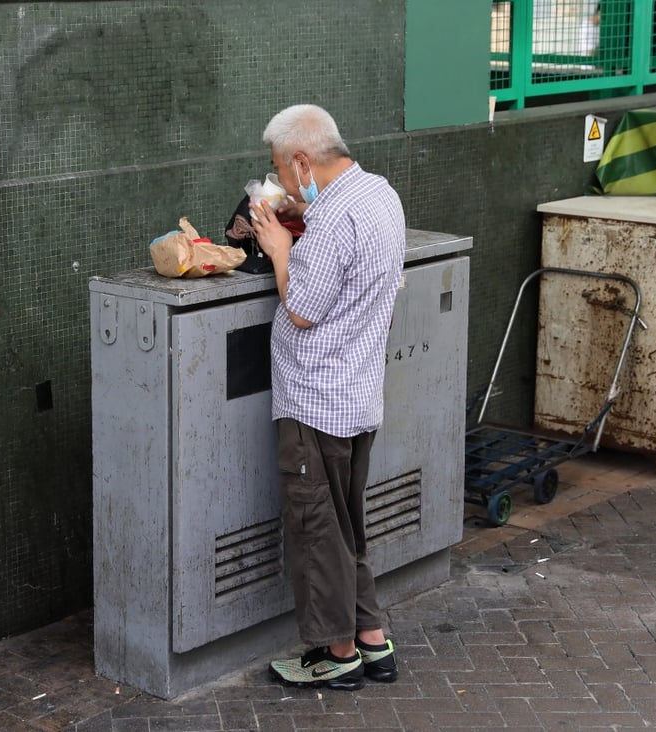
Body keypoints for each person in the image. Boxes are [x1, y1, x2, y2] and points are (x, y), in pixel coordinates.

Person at [248, 104, 405, 691]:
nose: (283, 181)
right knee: (346, 526)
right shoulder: (378, 193)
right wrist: (302, 216)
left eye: (280, 170)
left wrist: (280, 248)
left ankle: (335, 654)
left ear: (301, 161)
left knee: (318, 532)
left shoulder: (331, 218)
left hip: (315, 401)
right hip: (359, 396)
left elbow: (304, 309)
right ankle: (372, 641)